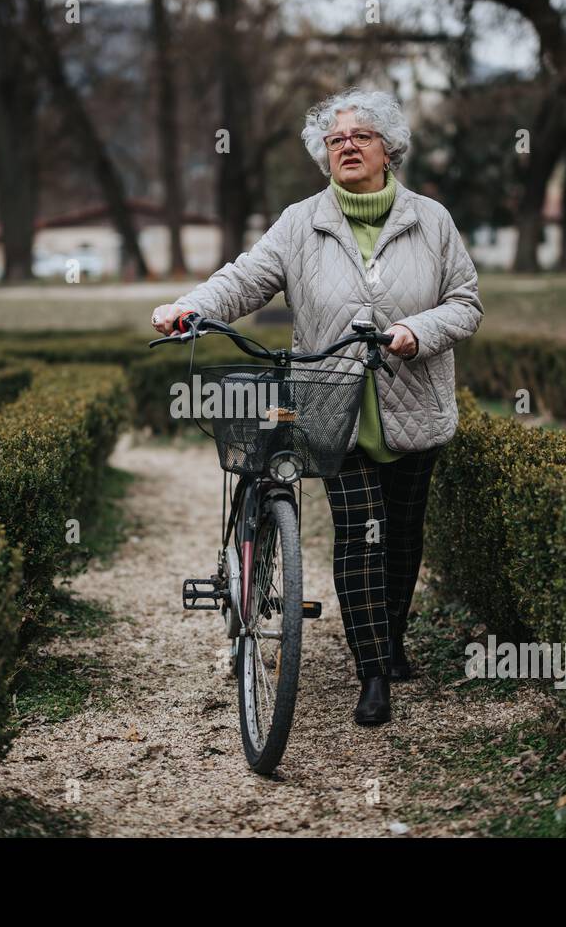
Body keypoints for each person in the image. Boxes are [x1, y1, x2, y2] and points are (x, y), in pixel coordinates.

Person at [152, 87, 482, 726]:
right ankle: (372, 671)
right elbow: (245, 278)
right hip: (335, 411)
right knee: (359, 533)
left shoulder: (432, 220)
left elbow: (466, 302)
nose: (348, 145)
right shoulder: (301, 222)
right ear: (324, 155)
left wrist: (419, 332)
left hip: (414, 406)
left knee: (403, 536)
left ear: (390, 148)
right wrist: (191, 306)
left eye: (361, 136)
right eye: (336, 140)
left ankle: (391, 637)